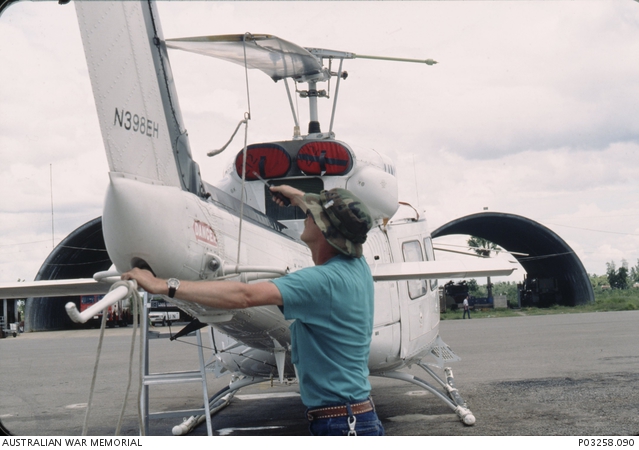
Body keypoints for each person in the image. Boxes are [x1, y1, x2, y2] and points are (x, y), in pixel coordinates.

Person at [122, 185, 384, 436]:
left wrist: (164, 286)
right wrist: (295, 195)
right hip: (351, 419)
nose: (307, 215)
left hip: (342, 426)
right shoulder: (356, 266)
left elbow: (244, 295)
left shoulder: (321, 282)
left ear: (326, 231)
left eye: (312, 215)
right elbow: (337, 223)